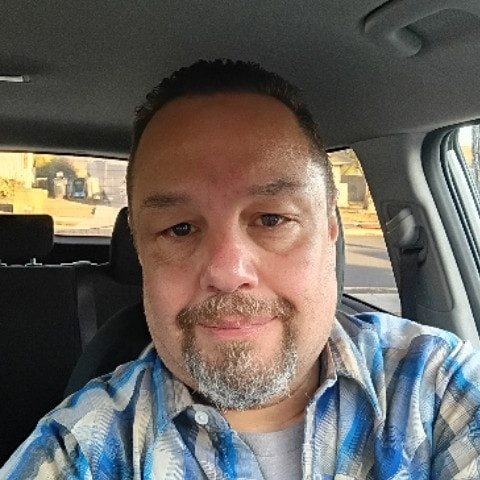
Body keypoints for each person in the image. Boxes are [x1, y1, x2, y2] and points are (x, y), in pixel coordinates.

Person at [2, 59, 480, 480]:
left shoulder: (438, 389)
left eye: (272, 220)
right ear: (141, 252)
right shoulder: (81, 448)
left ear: (330, 231)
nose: (228, 271)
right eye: (180, 228)